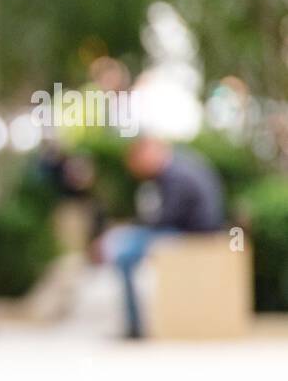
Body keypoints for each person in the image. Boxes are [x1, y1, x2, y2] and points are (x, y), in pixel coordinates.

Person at [94, 134, 226, 339]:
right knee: (124, 244)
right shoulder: (181, 164)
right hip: (190, 228)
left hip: (192, 232)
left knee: (125, 256)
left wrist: (129, 229)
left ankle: (135, 326)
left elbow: (166, 218)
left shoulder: (175, 173)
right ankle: (134, 323)